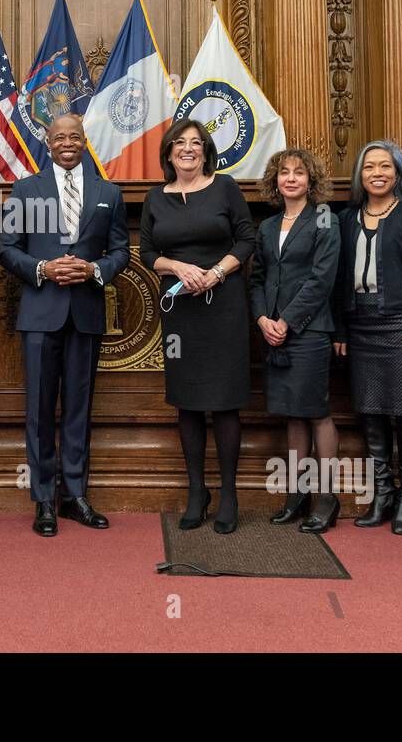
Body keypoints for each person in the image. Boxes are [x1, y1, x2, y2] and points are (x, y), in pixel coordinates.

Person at [0, 114, 130, 536]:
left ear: (84, 140)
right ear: (48, 142)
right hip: (41, 311)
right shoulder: (25, 189)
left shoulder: (108, 191)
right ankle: (43, 502)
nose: (68, 143)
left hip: (86, 312)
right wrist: (43, 267)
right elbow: (8, 249)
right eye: (60, 137)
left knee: (78, 406)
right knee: (39, 409)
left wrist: (94, 270)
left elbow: (121, 251)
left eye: (75, 136)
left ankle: (75, 495)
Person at [141, 118, 255, 534]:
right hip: (180, 309)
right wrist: (177, 266)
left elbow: (246, 240)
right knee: (187, 401)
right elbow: (147, 251)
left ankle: (229, 493)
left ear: (206, 151)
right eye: (179, 143)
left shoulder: (225, 187)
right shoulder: (156, 197)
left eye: (195, 143)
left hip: (223, 304)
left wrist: (217, 272)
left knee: (224, 402)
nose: (187, 149)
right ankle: (196, 490)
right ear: (169, 153)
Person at [333, 140, 402, 535]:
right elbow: (340, 279)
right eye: (369, 167)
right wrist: (340, 328)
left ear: (397, 174)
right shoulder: (345, 218)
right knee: (370, 409)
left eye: (385, 166)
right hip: (359, 323)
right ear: (360, 175)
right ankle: (383, 494)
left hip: (401, 322)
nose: (377, 173)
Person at [249, 148, 340, 533]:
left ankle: (327, 498)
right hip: (273, 333)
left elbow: (322, 279)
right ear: (275, 180)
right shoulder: (268, 226)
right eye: (283, 172)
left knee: (316, 411)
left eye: (299, 173)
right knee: (292, 412)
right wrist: (262, 319)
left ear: (310, 180)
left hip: (309, 330)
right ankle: (296, 496)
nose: (291, 178)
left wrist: (287, 320)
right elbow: (256, 279)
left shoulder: (324, 218)